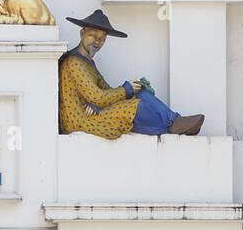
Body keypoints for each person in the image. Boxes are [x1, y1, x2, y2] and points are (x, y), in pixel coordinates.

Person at [58, 9, 204, 139]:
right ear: (82, 33)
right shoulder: (74, 63)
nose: (97, 41)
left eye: (102, 38)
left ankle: (174, 121)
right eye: (93, 35)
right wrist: (125, 90)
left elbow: (104, 91)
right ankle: (171, 126)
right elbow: (98, 97)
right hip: (80, 121)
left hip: (93, 112)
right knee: (136, 107)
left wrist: (132, 89)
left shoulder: (88, 62)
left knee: (142, 94)